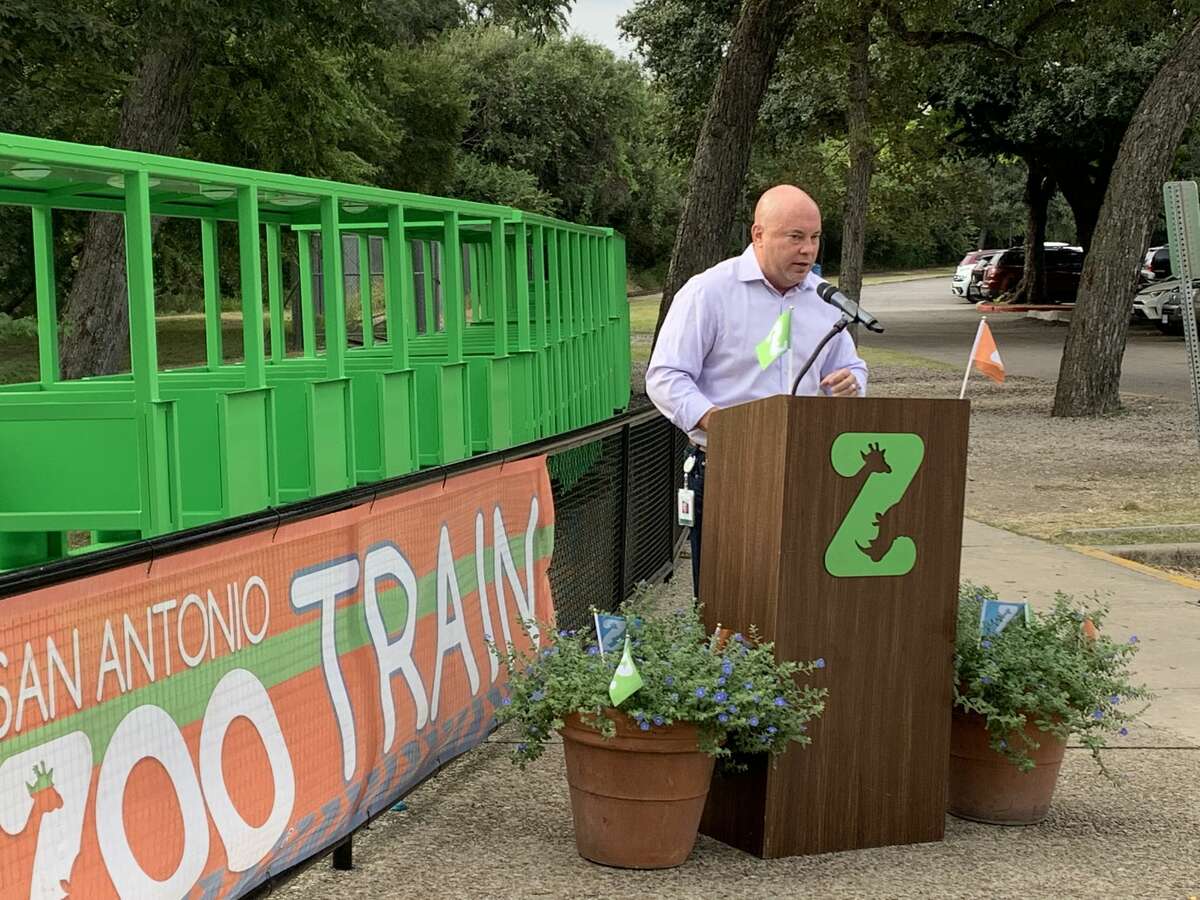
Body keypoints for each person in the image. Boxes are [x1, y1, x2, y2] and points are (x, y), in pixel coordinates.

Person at [645, 184, 868, 596]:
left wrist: (852, 382)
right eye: (795, 237)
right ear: (759, 234)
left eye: (815, 237)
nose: (808, 250)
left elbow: (851, 367)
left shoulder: (823, 302)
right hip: (732, 468)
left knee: (804, 594)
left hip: (812, 468)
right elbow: (665, 376)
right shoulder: (709, 292)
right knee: (731, 601)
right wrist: (721, 423)